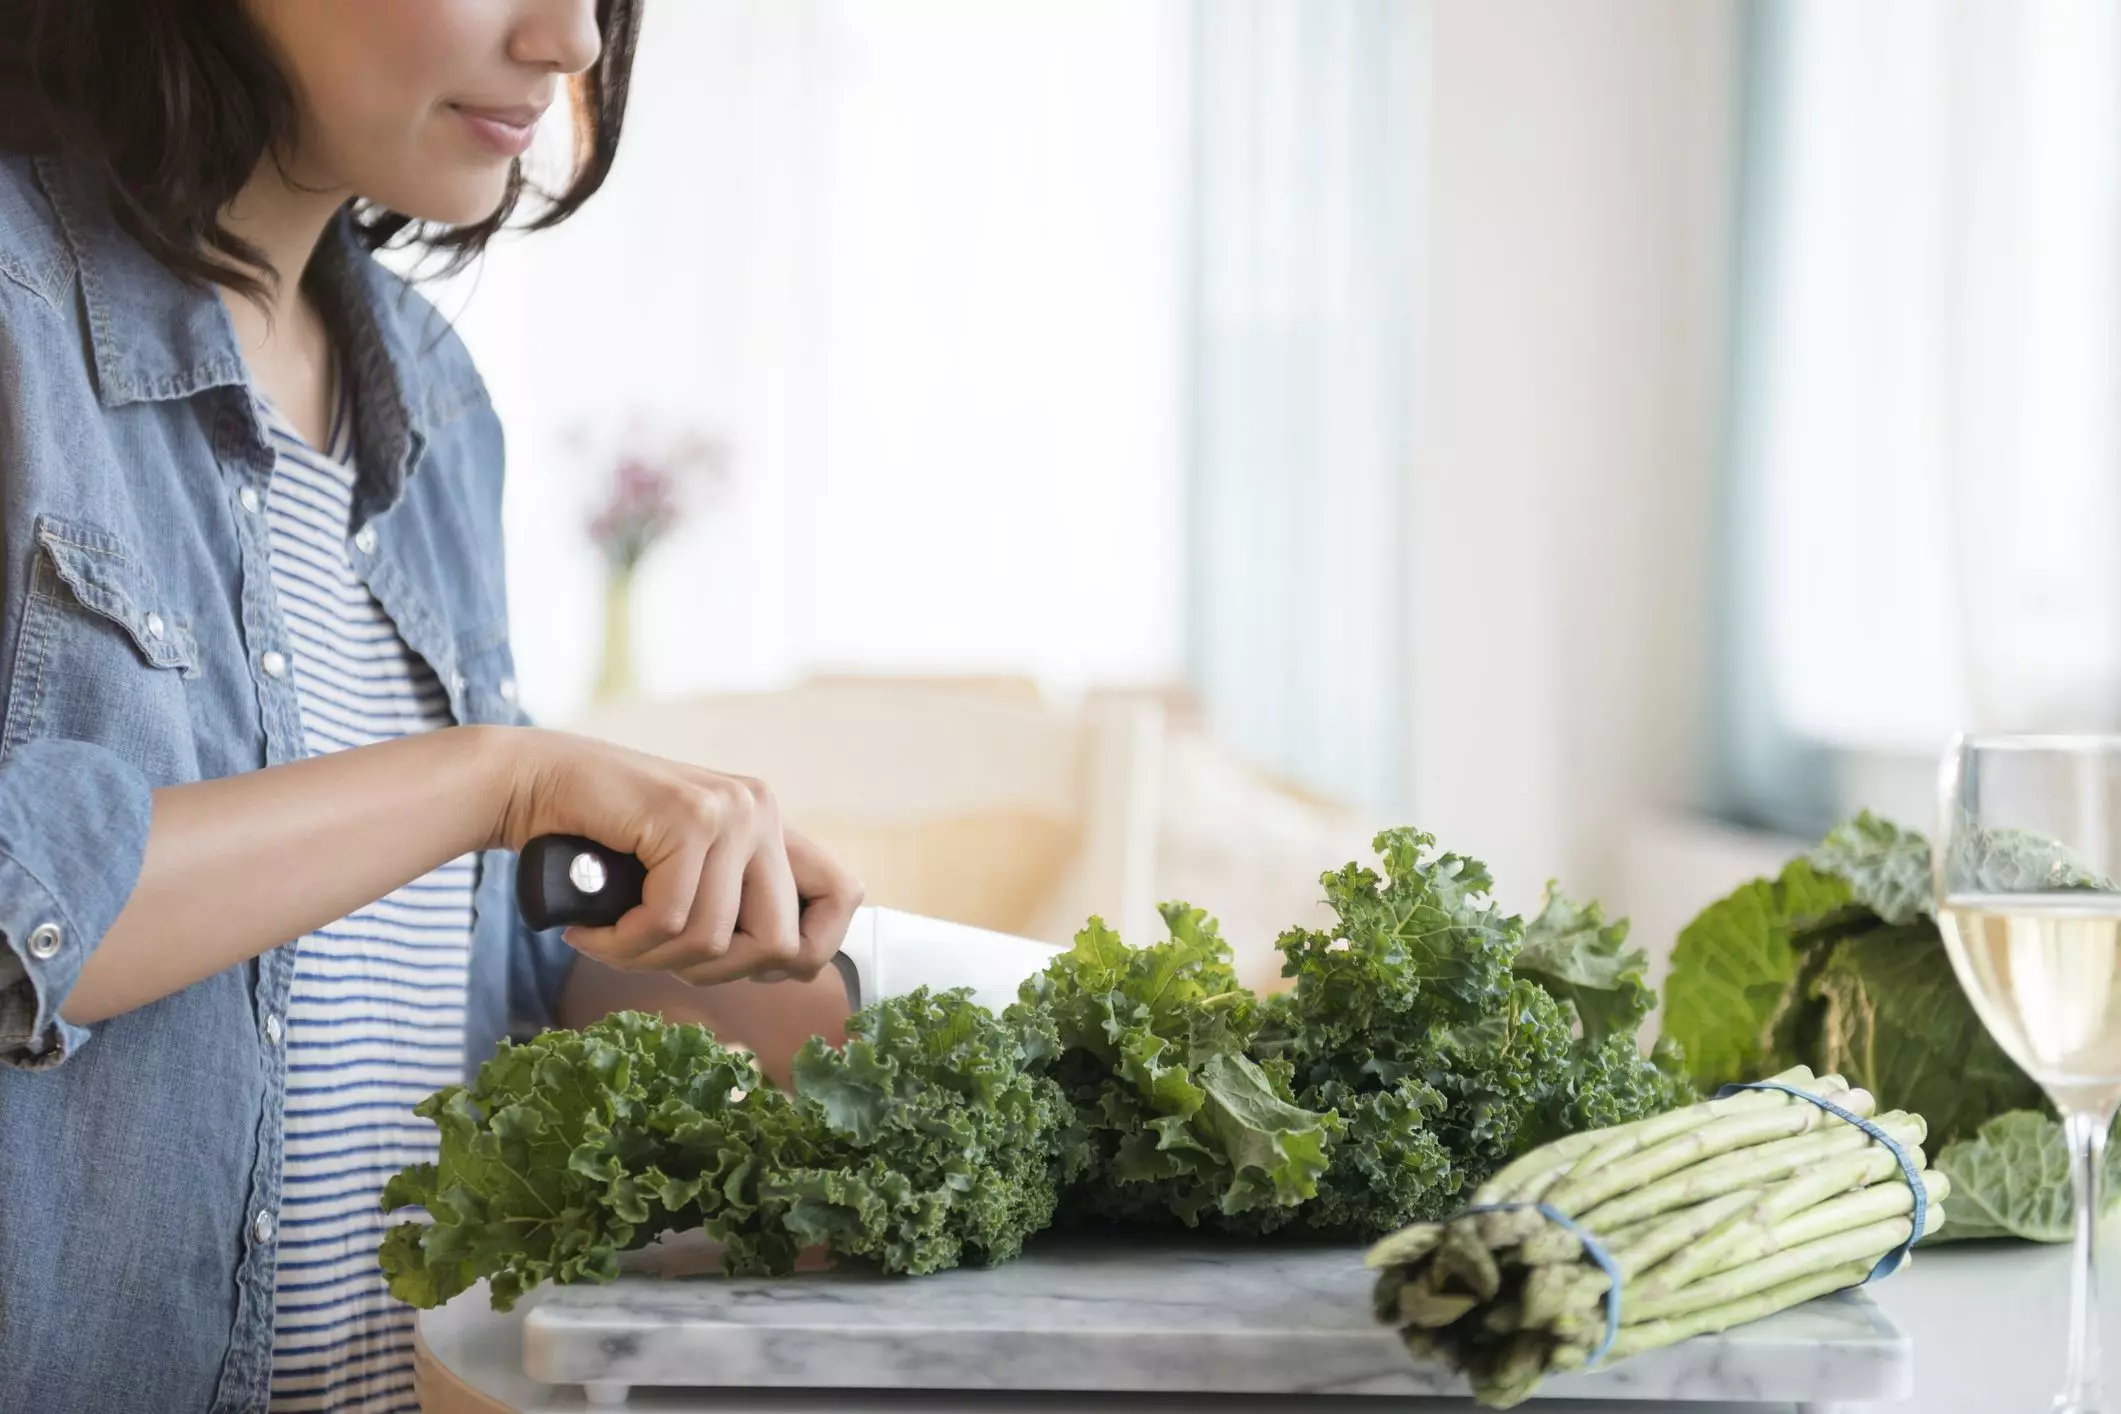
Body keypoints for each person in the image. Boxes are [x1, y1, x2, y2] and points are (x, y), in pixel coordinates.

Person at [0, 3, 864, 1410]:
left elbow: (472, 993)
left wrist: (778, 984)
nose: (573, 41)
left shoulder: (443, 414)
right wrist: (490, 779)